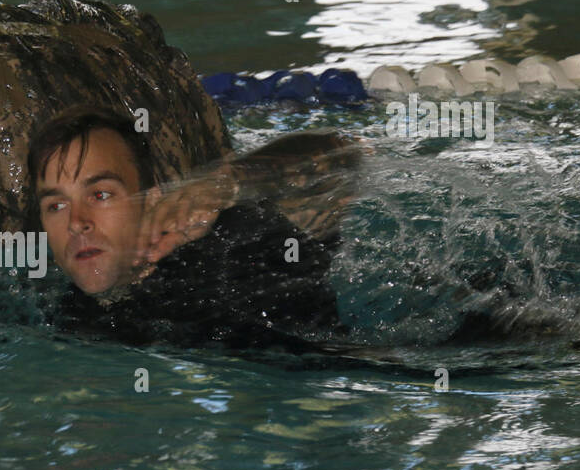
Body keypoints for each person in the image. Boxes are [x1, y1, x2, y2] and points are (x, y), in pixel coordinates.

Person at [27, 106, 361, 351]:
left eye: (100, 195)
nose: (76, 222)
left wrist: (226, 183)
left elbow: (343, 153)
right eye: (55, 206)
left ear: (151, 199)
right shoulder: (58, 315)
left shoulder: (232, 242)